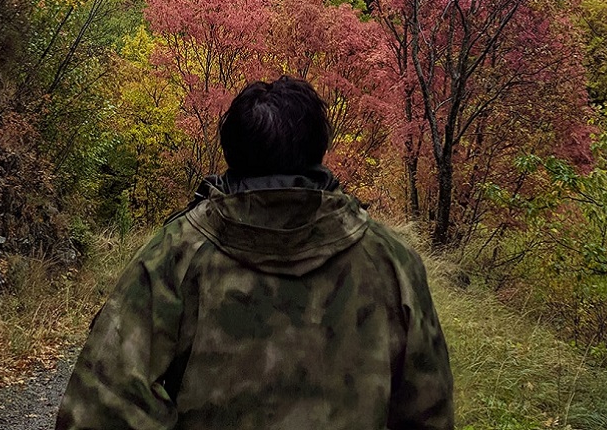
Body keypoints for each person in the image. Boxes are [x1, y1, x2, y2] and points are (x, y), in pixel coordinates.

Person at [56, 76, 454, 430]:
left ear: (232, 152)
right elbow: (428, 409)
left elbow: (102, 405)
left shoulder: (176, 253)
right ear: (319, 151)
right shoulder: (390, 262)